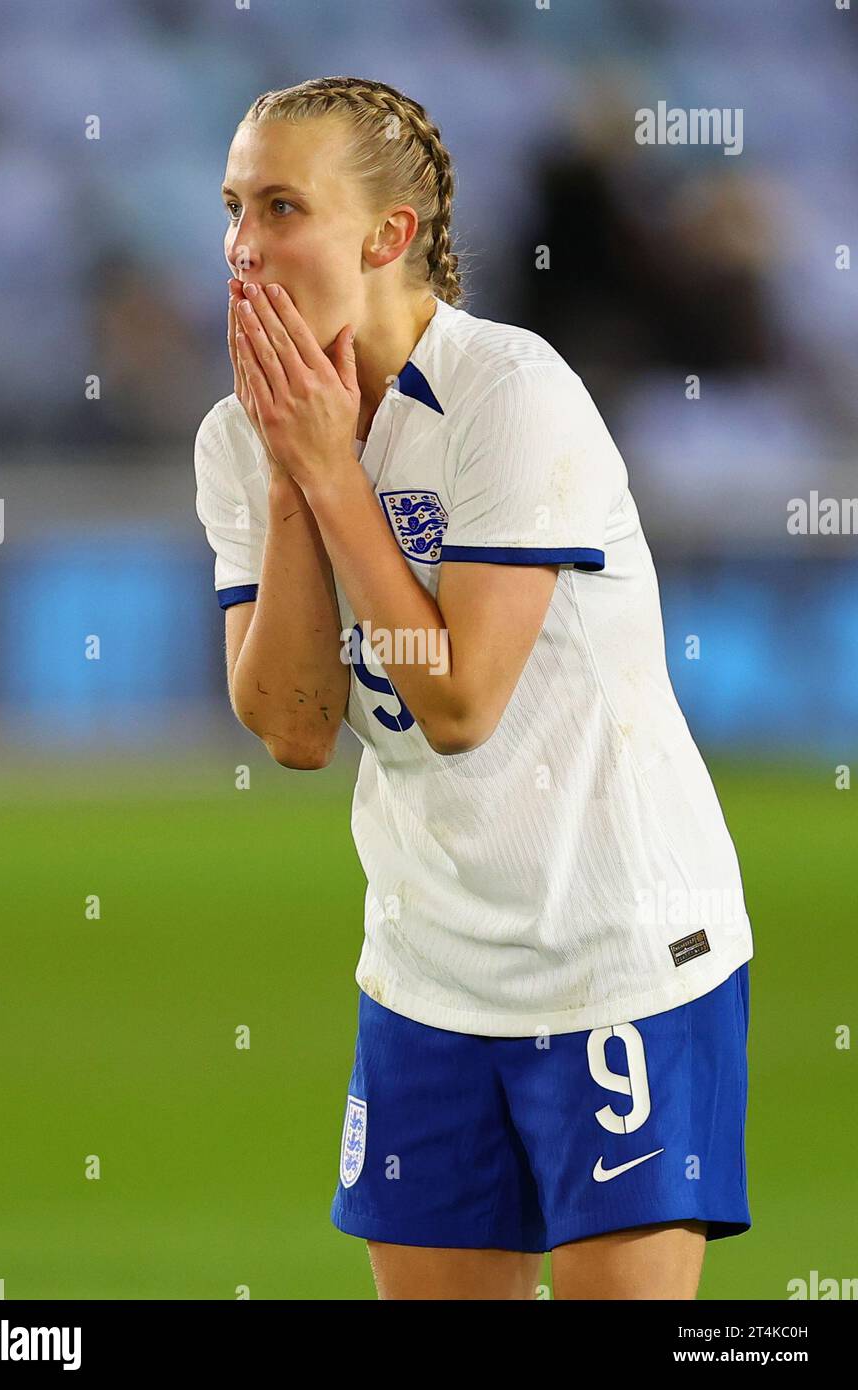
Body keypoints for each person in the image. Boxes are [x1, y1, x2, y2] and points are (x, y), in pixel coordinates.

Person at [194, 76, 754, 1301]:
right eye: (233, 206)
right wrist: (292, 479)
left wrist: (333, 473)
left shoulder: (511, 392)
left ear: (388, 235)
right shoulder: (240, 439)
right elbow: (291, 727)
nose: (242, 244)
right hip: (427, 977)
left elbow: (457, 704)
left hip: (619, 954)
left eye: (281, 206)